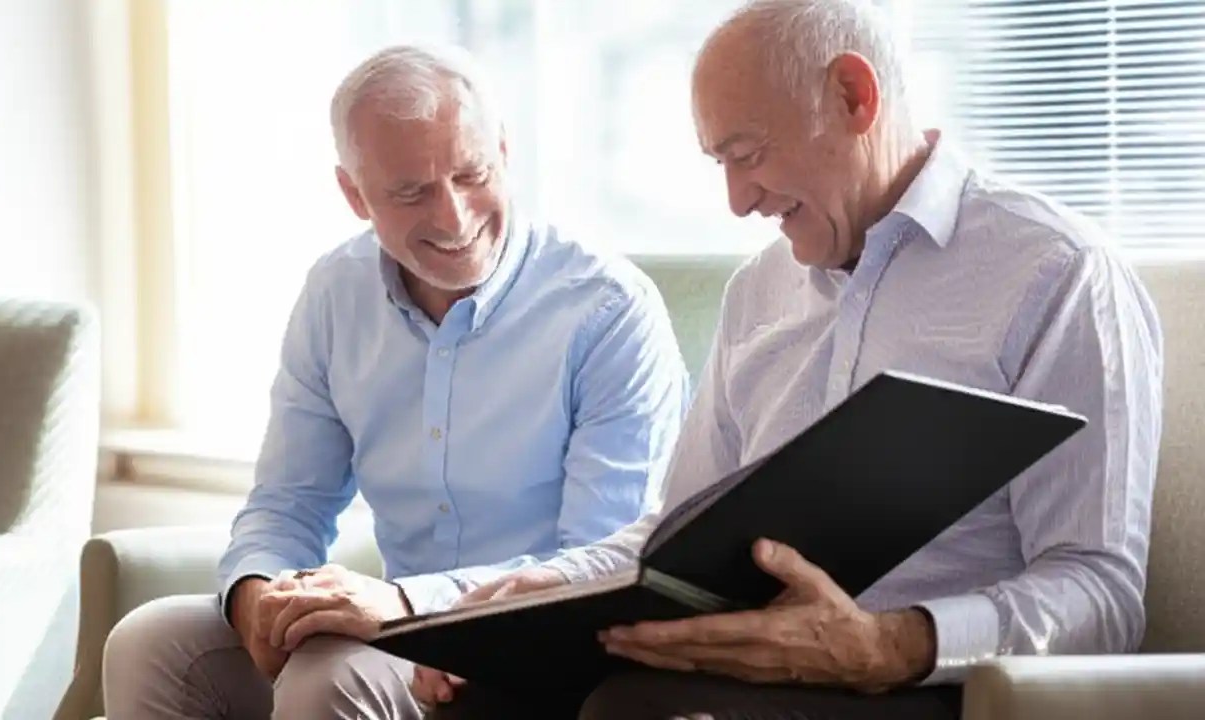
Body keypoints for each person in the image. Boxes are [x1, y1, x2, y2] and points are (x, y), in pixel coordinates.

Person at [413, 1, 1165, 718]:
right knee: (487, 700)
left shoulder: (1056, 273)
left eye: (748, 155)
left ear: (852, 95)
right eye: (720, 164)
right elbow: (679, 538)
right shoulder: (760, 291)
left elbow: (1100, 594)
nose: (739, 201)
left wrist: (887, 644)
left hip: (932, 689)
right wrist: (551, 588)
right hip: (740, 669)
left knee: (632, 710)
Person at [100, 44, 689, 719]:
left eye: (471, 174)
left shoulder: (608, 309)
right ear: (354, 194)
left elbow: (596, 566)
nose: (454, 218)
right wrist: (257, 595)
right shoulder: (334, 293)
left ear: (504, 149)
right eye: (411, 192)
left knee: (326, 679)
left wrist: (407, 603)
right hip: (391, 626)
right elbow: (288, 502)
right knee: (147, 641)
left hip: (532, 647)